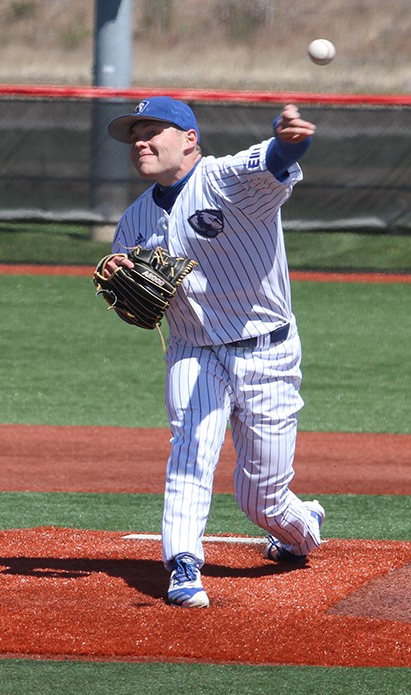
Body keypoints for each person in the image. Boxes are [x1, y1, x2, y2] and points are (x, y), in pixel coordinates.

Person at [100, 96, 325, 608]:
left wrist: (294, 140)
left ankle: (300, 526)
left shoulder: (227, 179)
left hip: (266, 351)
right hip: (193, 351)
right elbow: (138, 311)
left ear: (189, 139)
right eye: (134, 134)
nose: (141, 140)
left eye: (153, 129)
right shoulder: (134, 221)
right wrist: (122, 286)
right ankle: (183, 565)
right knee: (191, 449)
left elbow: (277, 159)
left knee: (261, 497)